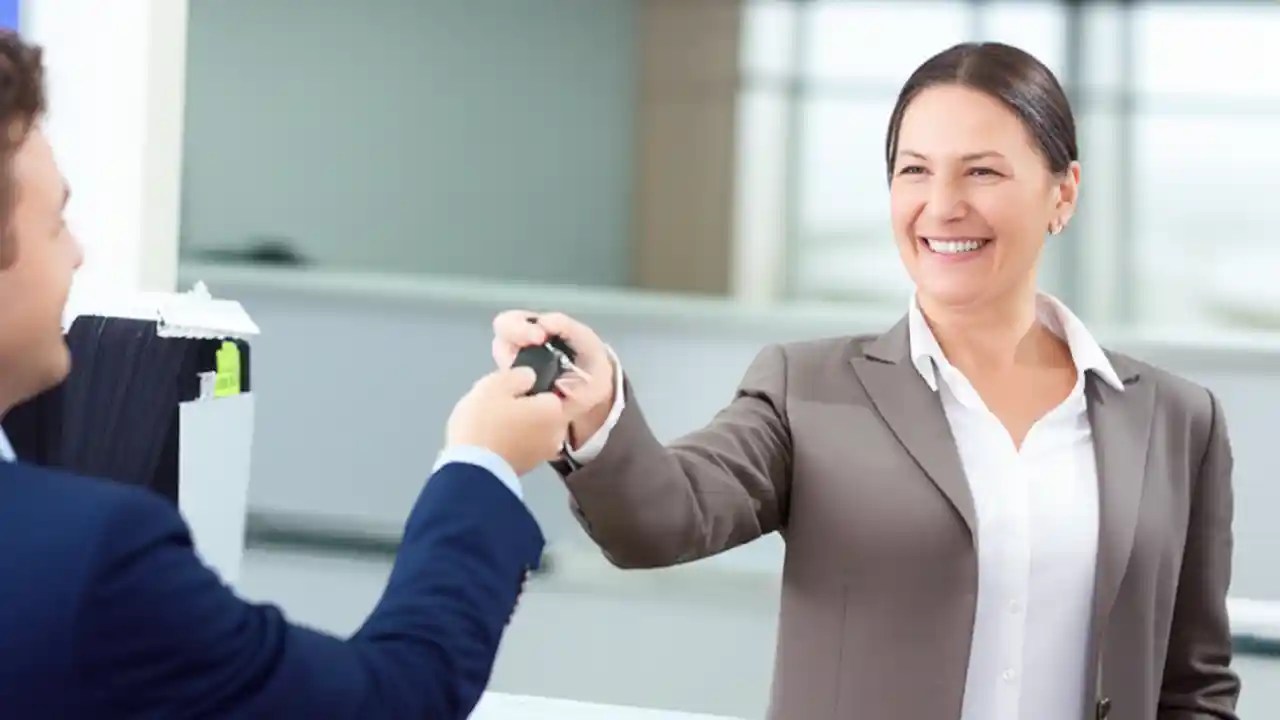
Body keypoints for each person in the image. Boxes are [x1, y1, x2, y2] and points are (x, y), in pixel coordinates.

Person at [493, 42, 1239, 720]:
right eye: (914, 170)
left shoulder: (1177, 420)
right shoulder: (809, 390)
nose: (942, 205)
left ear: (1062, 193)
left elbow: (1192, 687)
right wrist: (597, 414)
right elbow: (663, 519)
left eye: (981, 170)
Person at [0, 31, 567, 719]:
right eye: (58, 224)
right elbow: (394, 700)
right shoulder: (86, 558)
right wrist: (485, 464)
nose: (80, 256)